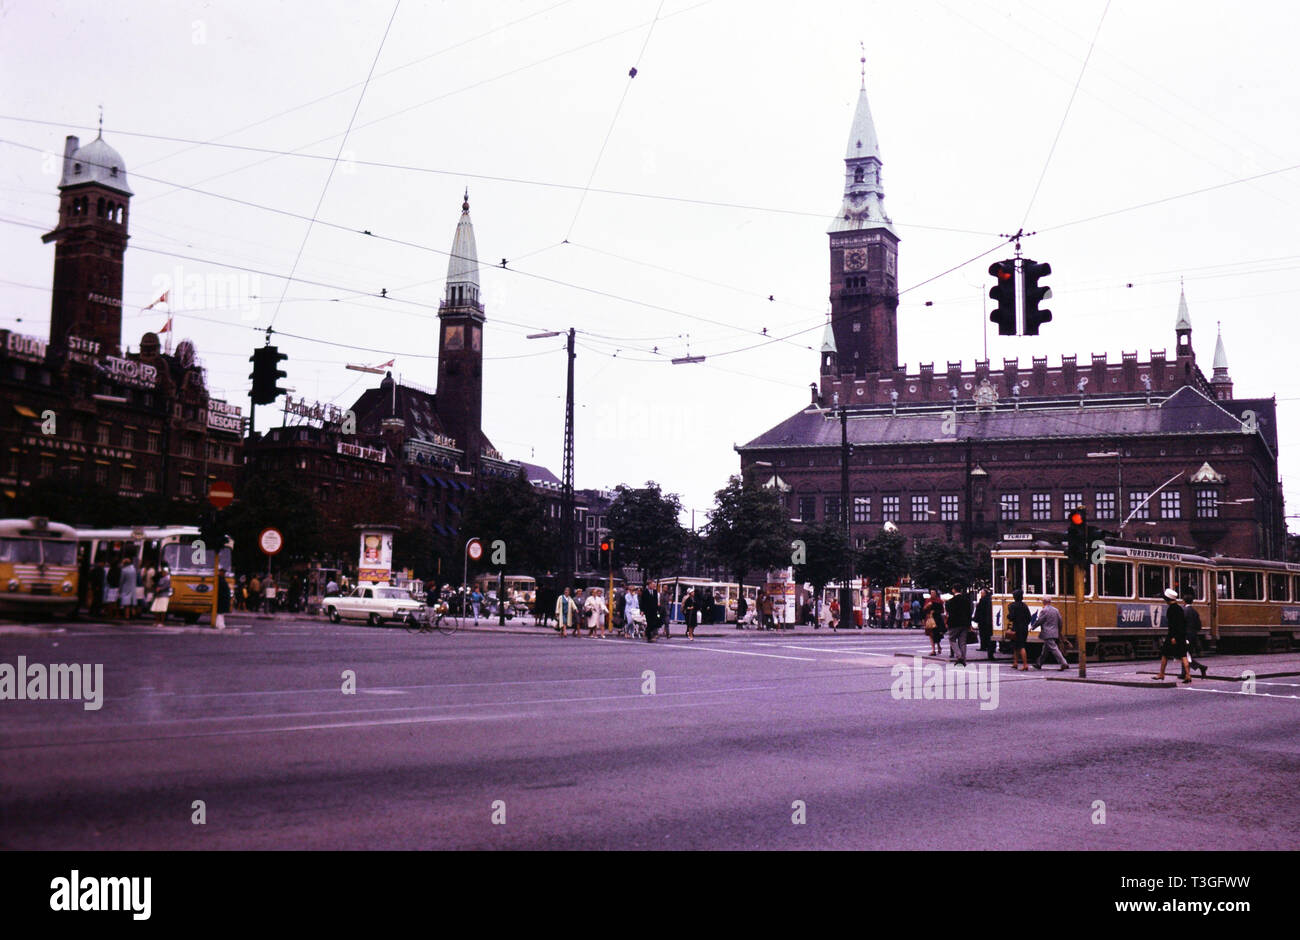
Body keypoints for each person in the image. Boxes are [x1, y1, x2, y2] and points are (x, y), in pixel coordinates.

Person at [1154, 587, 1192, 683]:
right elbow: (1182, 624)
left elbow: (1173, 625)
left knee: (1164, 654)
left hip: (1173, 636)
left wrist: (1173, 637)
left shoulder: (1171, 610)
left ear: (1167, 599)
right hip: (1181, 635)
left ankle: (1161, 674)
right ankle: (1188, 675)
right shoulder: (1179, 608)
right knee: (1183, 655)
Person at [1031, 596, 1069, 671]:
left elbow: (1040, 621)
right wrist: (1059, 630)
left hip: (1047, 633)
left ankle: (1063, 663)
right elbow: (1060, 621)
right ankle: (1039, 663)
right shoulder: (1056, 610)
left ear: (1044, 601)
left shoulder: (1044, 610)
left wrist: (1033, 627)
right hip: (1054, 632)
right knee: (1045, 649)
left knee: (1054, 648)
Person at [1183, 589, 1207, 679]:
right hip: (1193, 636)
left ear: (1184, 601)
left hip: (1185, 636)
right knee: (1186, 654)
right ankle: (1184, 673)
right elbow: (1199, 625)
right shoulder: (1194, 612)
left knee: (1184, 655)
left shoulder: (1184, 611)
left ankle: (1201, 667)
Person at [945, 585, 972, 666]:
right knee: (962, 642)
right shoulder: (966, 600)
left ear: (953, 590)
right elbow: (969, 612)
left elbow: (948, 612)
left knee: (952, 639)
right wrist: (969, 624)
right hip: (964, 623)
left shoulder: (950, 601)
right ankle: (963, 659)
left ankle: (959, 656)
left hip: (954, 623)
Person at [1007, 589, 1032, 671]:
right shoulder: (1025, 606)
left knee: (1019, 646)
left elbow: (1011, 617)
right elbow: (1029, 617)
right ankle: (1015, 663)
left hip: (1016, 627)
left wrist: (1009, 616)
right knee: (1019, 645)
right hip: (1024, 627)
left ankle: (1024, 664)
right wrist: (1025, 624)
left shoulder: (1012, 606)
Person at [922, 589, 945, 656]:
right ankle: (933, 650)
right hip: (930, 618)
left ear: (936, 593)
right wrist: (927, 606)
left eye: (933, 592)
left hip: (937, 619)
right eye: (931, 592)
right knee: (931, 634)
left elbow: (942, 610)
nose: (932, 594)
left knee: (937, 634)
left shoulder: (939, 601)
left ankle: (938, 646)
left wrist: (935, 611)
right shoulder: (928, 600)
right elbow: (924, 609)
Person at [975, 587, 994, 660]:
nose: (981, 594)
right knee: (988, 635)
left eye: (982, 593)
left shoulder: (982, 600)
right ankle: (988, 648)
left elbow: (979, 610)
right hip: (988, 621)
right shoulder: (990, 599)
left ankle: (983, 646)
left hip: (982, 620)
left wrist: (976, 618)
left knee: (983, 634)